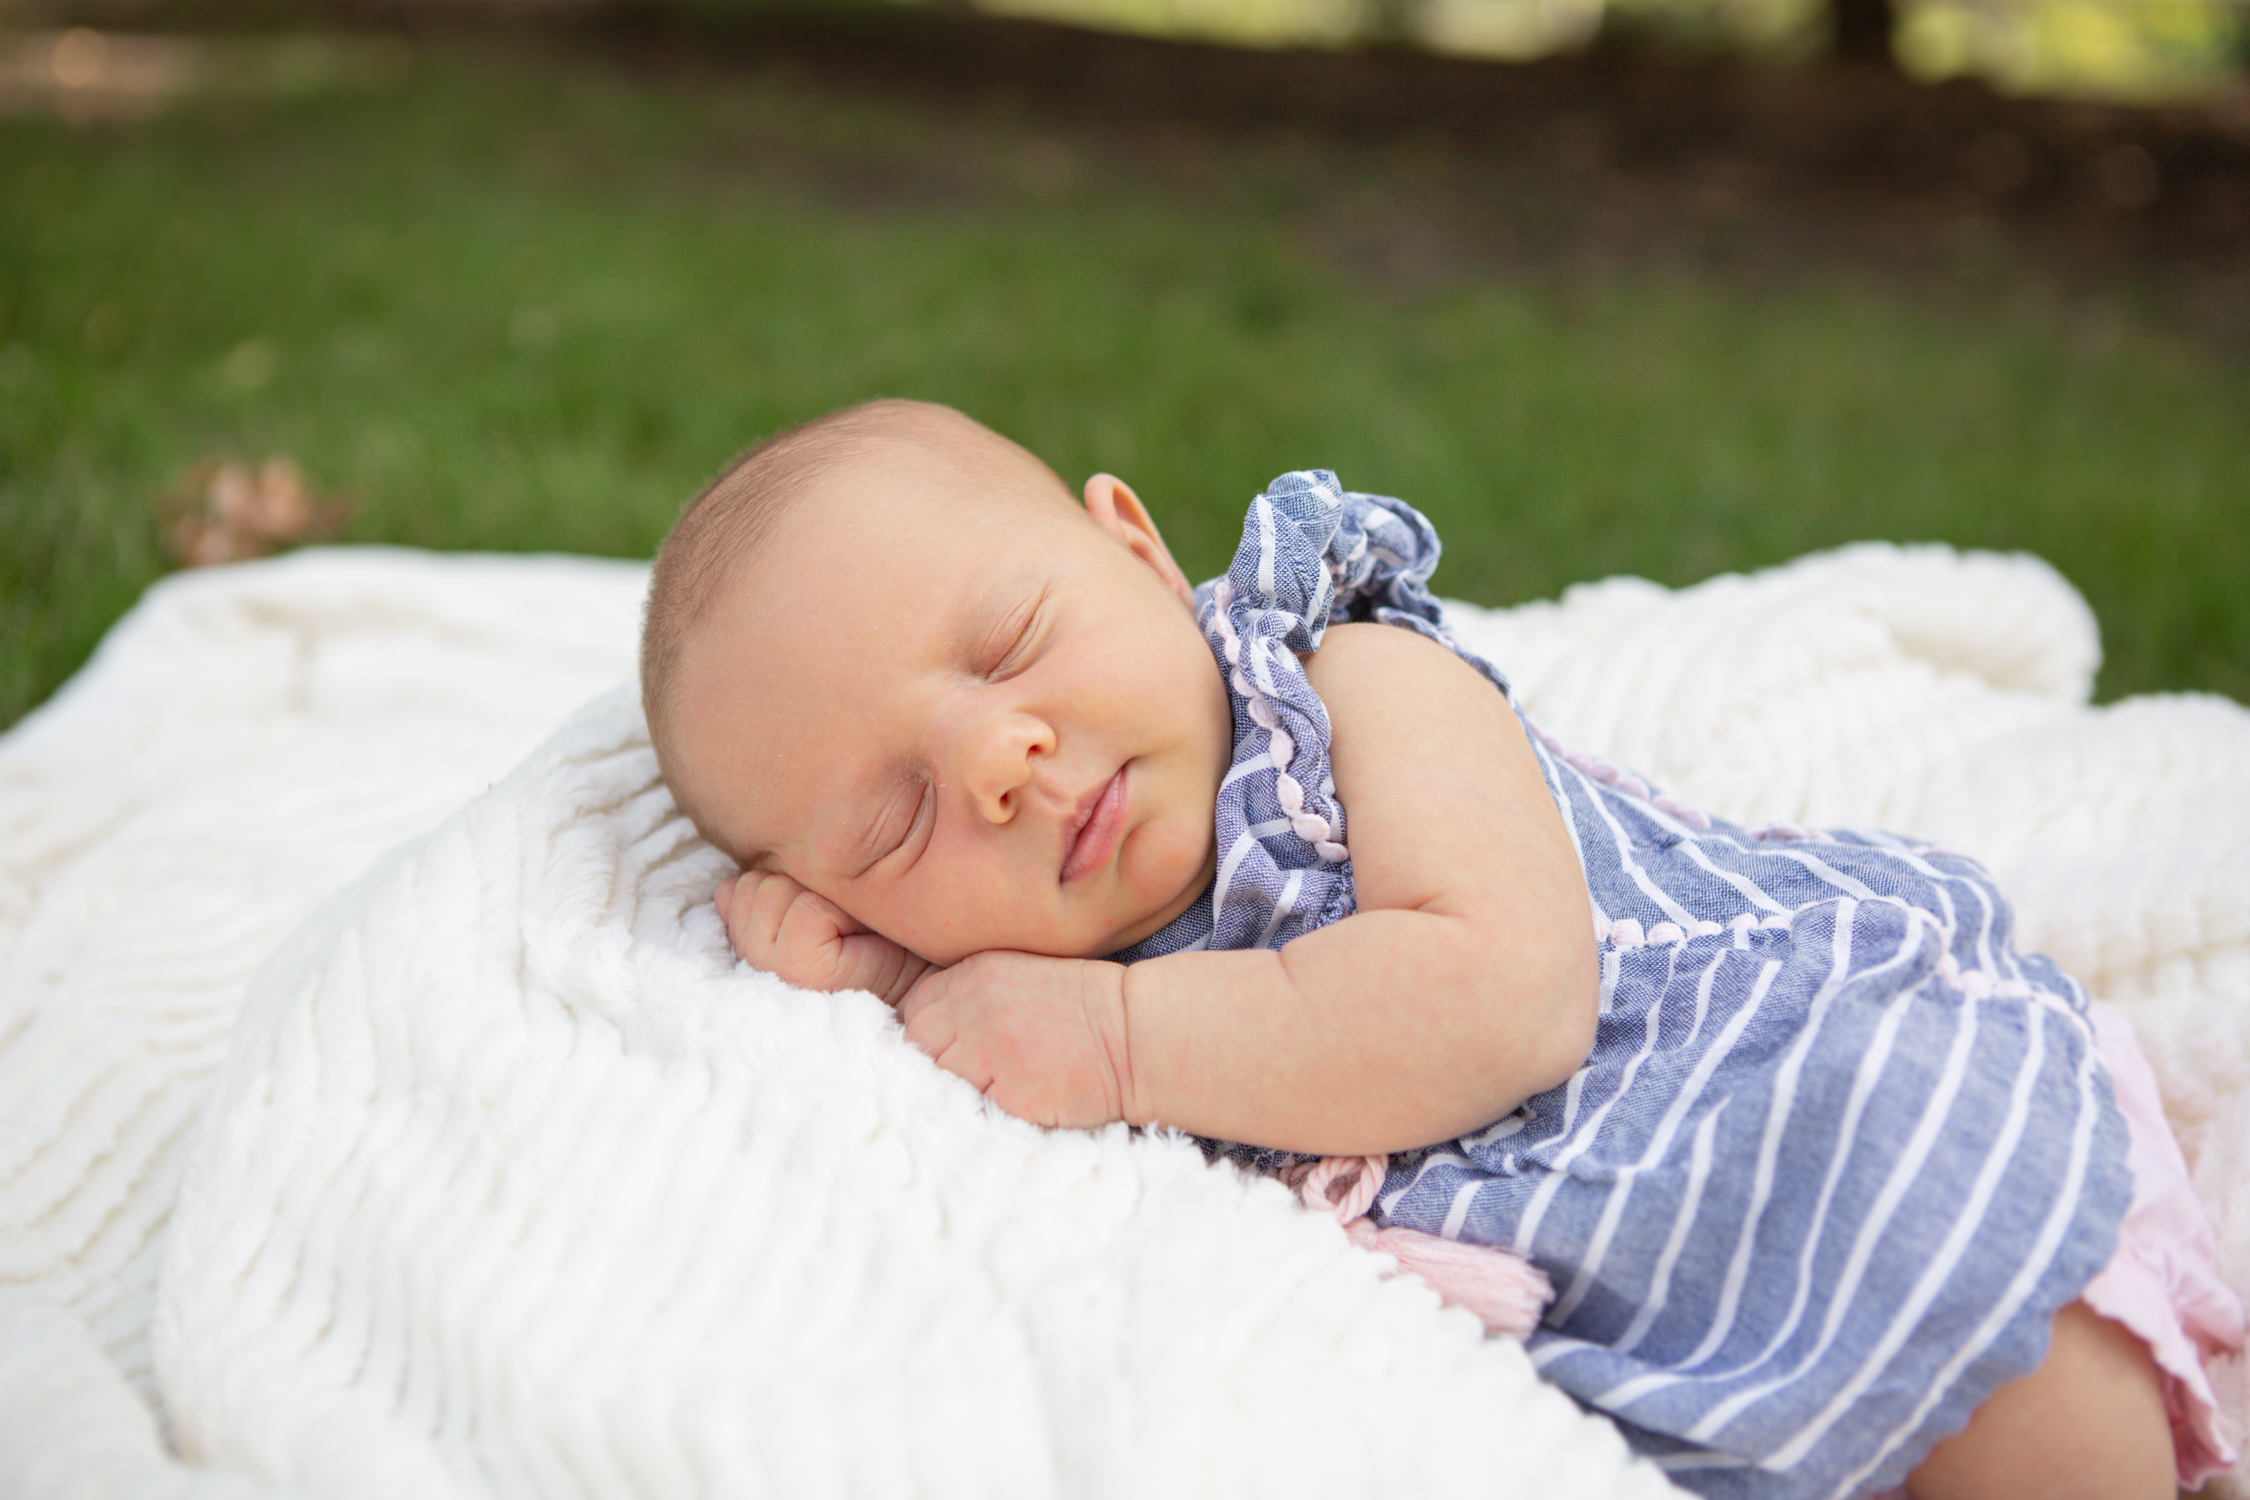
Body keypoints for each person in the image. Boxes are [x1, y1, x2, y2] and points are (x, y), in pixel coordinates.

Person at [640, 398, 2236, 1500]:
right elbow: (995, 1038)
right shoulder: (1051, 965)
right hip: (1634, 1311)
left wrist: (1112, 1045)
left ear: (1133, 551)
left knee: (1995, 1355)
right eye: (895, 824)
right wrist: (876, 985)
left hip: (1813, 1107)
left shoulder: (1339, 681)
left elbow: (1503, 997)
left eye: (1008, 646)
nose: (1000, 760)